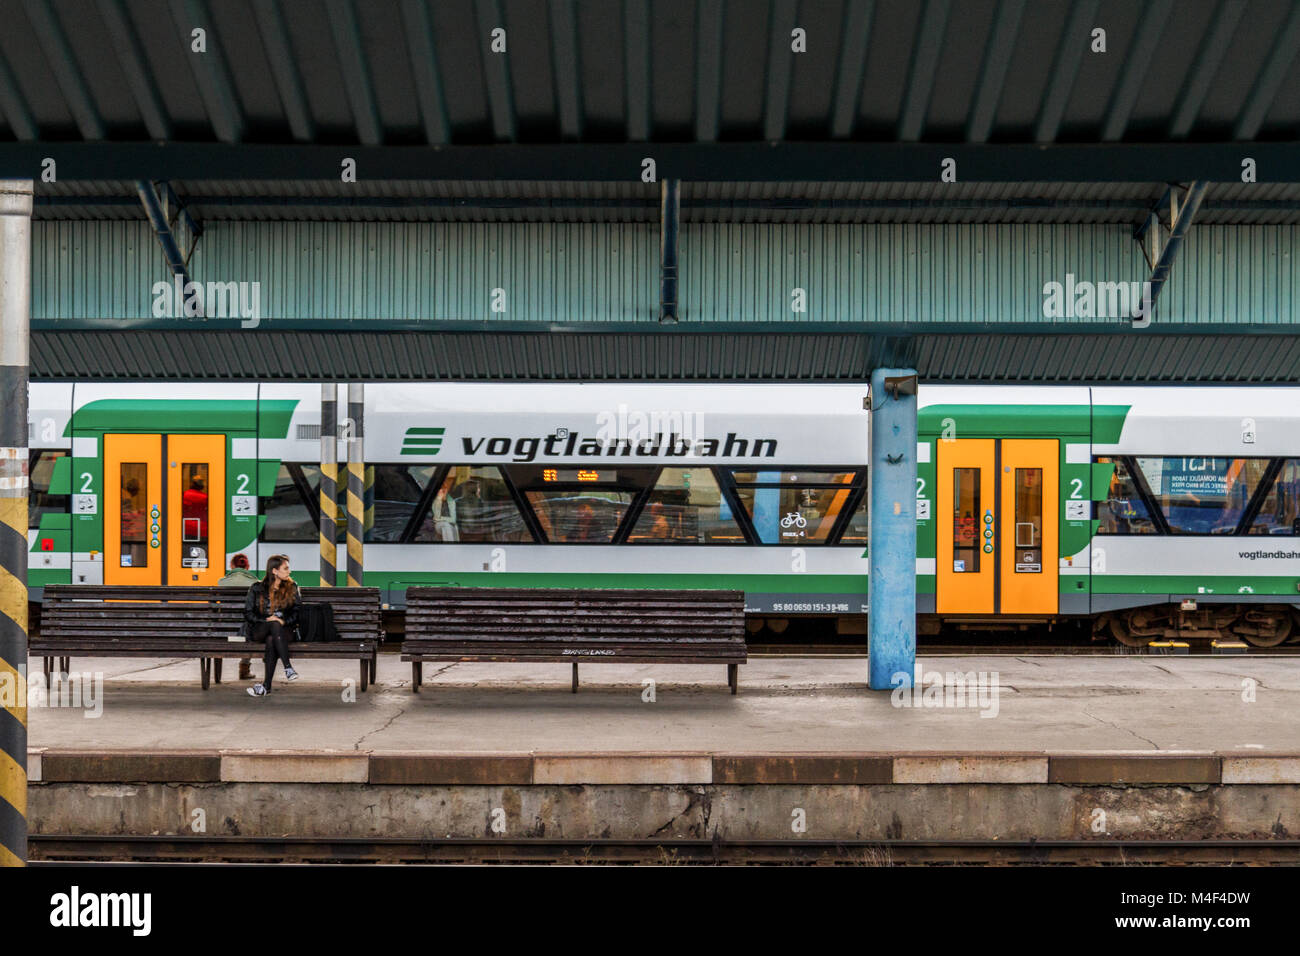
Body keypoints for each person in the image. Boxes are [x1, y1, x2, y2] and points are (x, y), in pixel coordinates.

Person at [244, 554, 302, 697]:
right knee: (273, 624)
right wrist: (266, 620)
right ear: (274, 571)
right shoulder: (256, 588)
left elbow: (298, 612)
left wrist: (285, 621)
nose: (289, 571)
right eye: (286, 568)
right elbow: (248, 613)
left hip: (284, 630)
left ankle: (266, 687)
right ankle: (287, 667)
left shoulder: (292, 587)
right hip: (260, 628)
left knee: (272, 640)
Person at [220, 554, 259, 680]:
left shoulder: (221, 582)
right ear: (247, 567)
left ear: (232, 566)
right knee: (252, 627)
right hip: (247, 628)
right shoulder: (255, 583)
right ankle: (244, 668)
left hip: (224, 627)